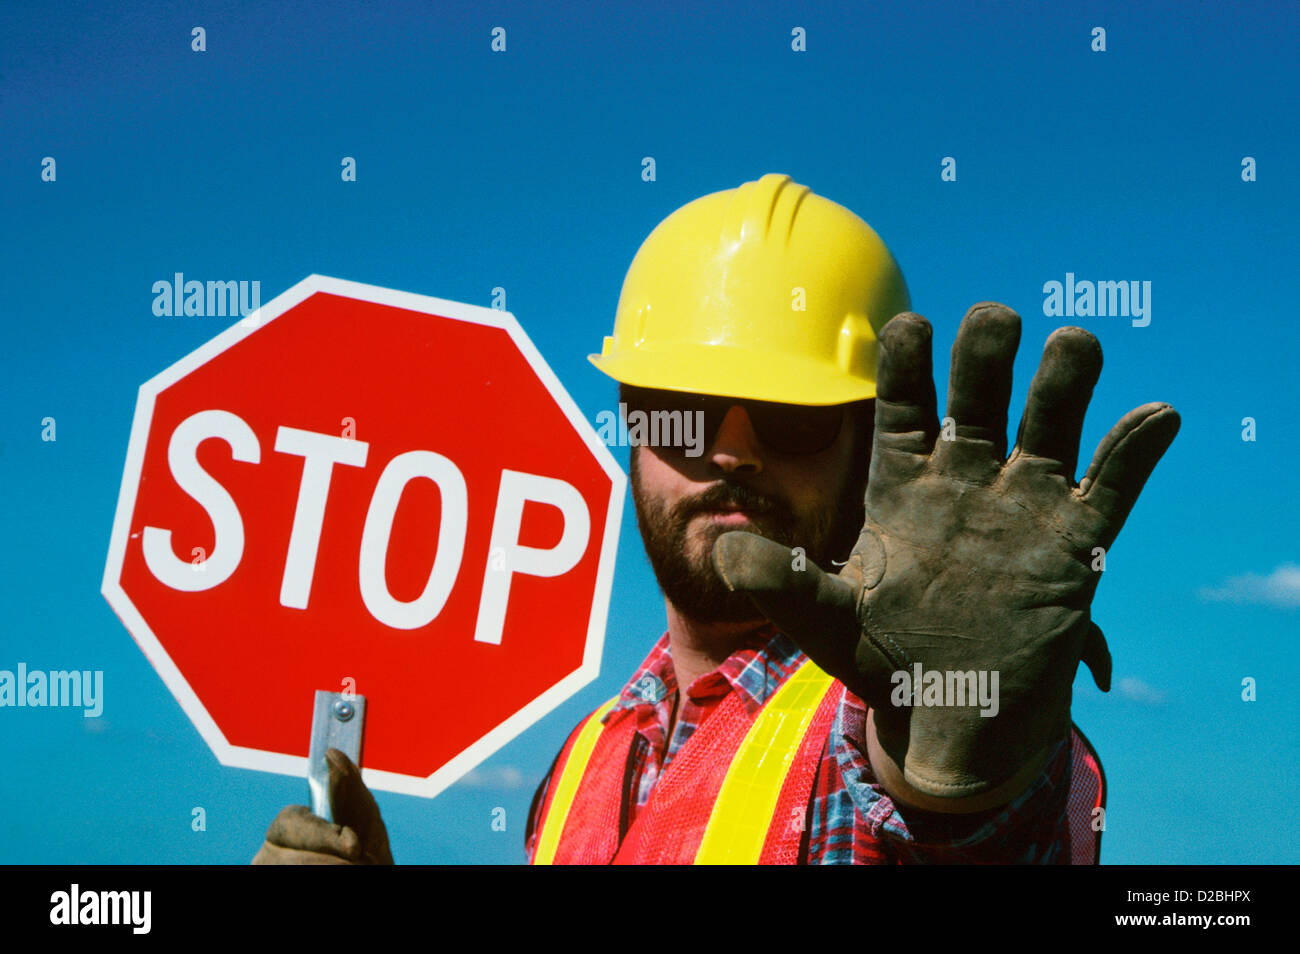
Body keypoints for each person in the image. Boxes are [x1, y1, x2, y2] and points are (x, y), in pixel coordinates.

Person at [253, 173, 1178, 865]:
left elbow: (951, 824)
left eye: (793, 418)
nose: (734, 454)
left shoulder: (892, 719)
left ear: (878, 445)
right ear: (634, 428)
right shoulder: (583, 760)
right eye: (687, 413)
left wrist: (957, 782)